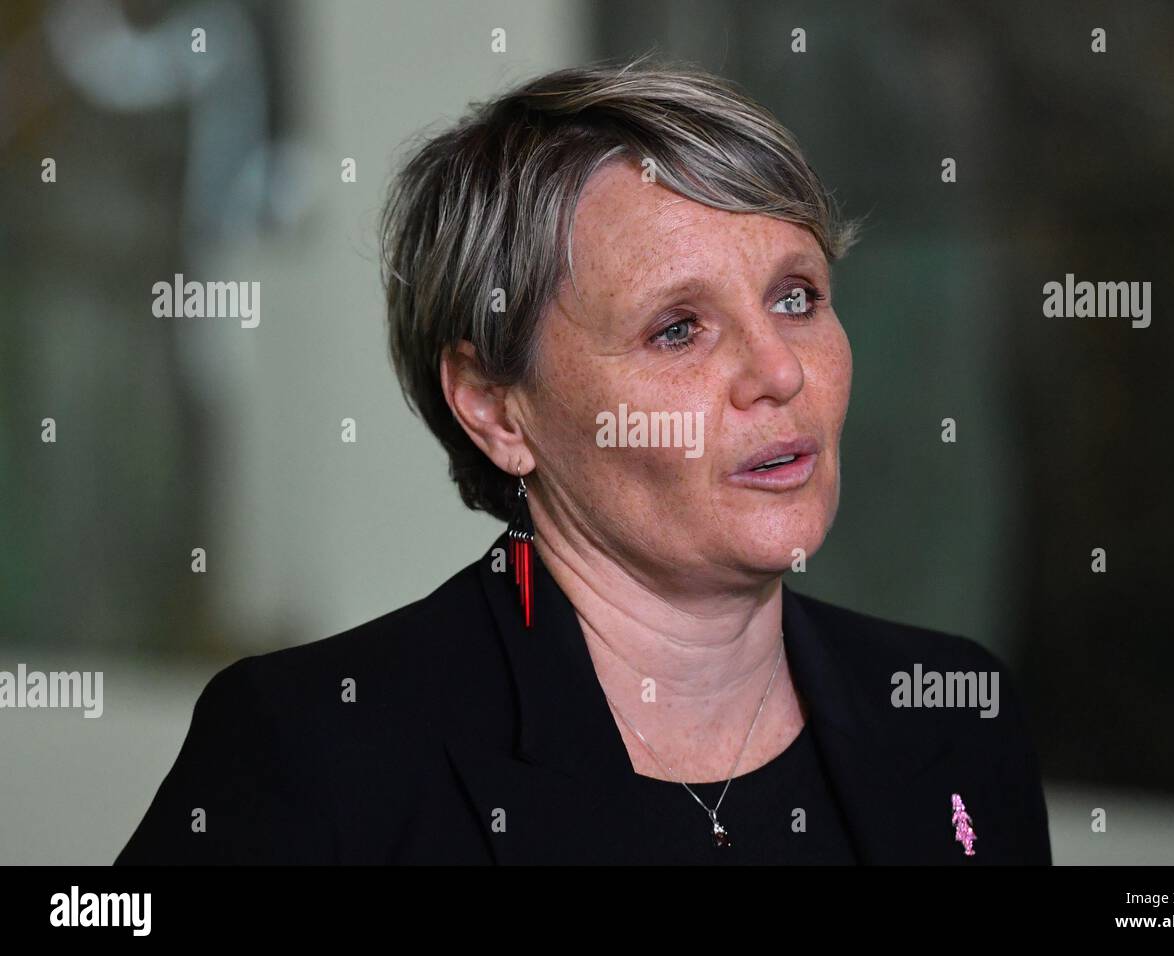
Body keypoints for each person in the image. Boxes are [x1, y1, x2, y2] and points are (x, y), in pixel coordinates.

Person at [115, 56, 1051, 865]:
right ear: (495, 407)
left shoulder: (951, 711)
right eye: (678, 328)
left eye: (798, 297)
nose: (776, 371)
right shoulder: (314, 750)